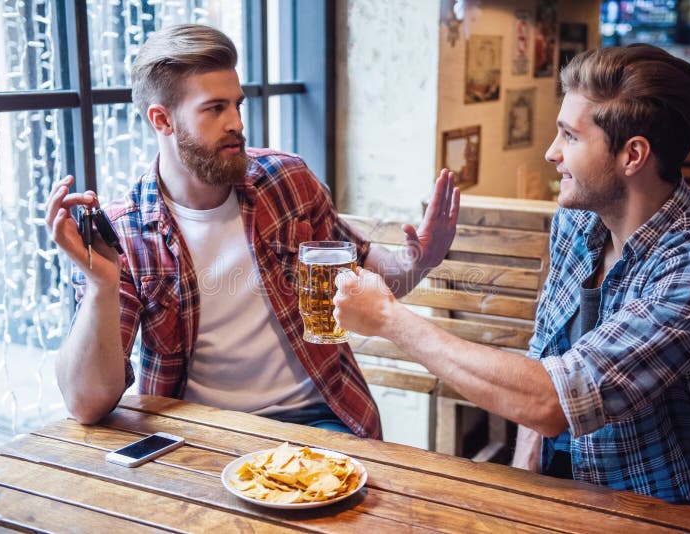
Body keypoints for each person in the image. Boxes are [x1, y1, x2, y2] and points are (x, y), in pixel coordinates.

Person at [334, 43, 690, 513]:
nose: (551, 153)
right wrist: (521, 485)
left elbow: (555, 398)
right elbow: (547, 351)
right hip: (567, 487)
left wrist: (390, 318)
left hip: (668, 508)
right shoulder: (579, 220)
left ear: (633, 155)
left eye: (570, 136)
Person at [44, 24, 459, 440]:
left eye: (237, 106)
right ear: (162, 120)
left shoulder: (286, 180)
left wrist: (419, 260)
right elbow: (86, 402)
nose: (236, 124)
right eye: (215, 108)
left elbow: (369, 276)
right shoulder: (125, 232)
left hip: (319, 417)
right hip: (199, 434)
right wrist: (101, 285)